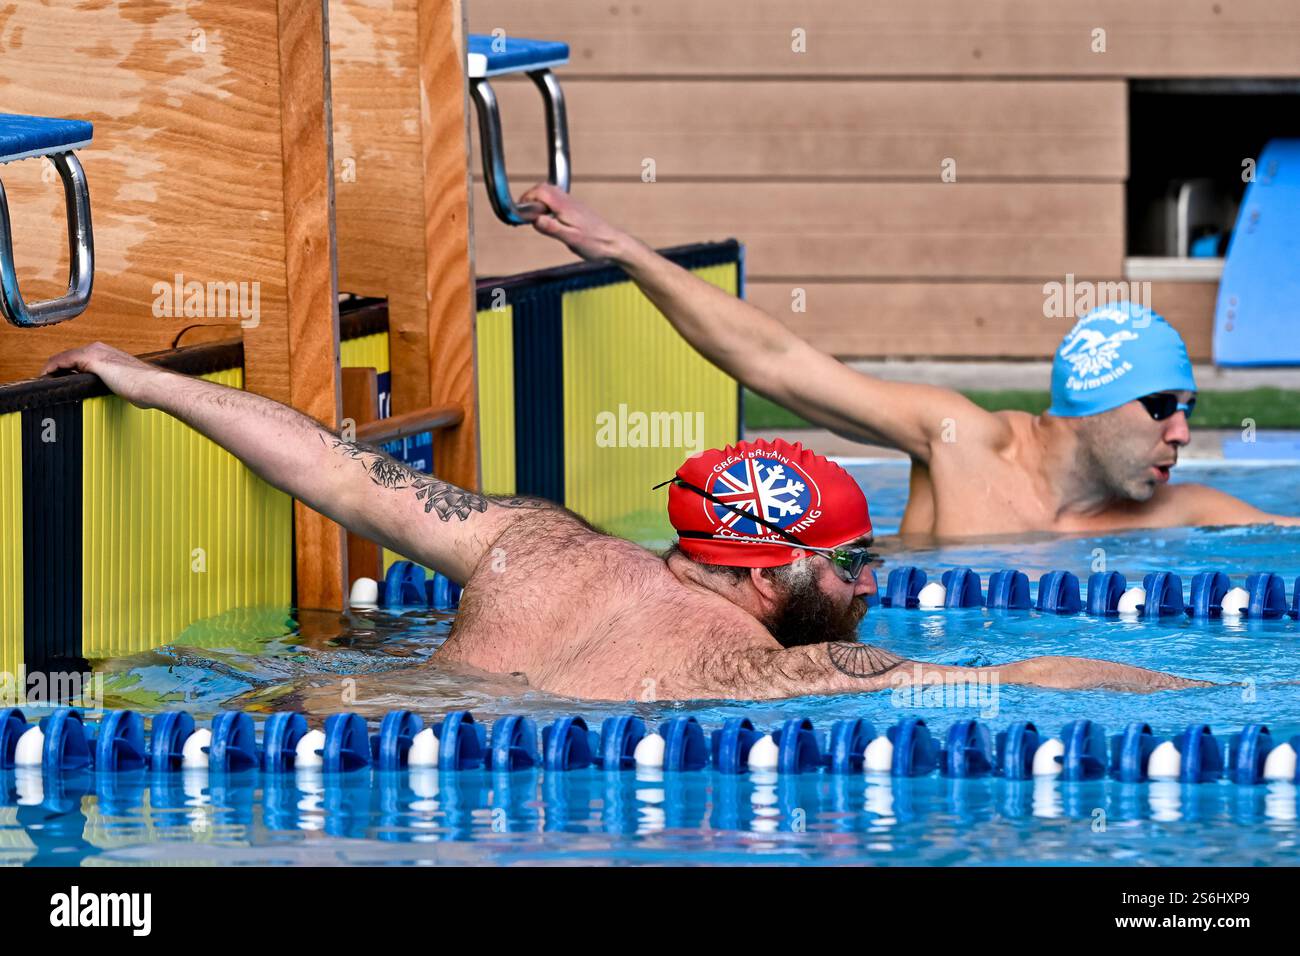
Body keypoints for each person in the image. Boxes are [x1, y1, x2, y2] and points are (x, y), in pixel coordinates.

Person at [42, 343, 1203, 700]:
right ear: (761, 575)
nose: (870, 583)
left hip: (313, 717)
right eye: (852, 560)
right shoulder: (759, 671)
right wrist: (1219, 697)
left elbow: (335, 470)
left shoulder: (525, 542)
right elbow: (1024, 676)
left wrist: (147, 382)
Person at [518, 184, 1300, 537]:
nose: (1184, 435)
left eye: (1189, 411)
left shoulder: (1183, 513)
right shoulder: (957, 438)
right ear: (1093, 398)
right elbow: (776, 363)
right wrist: (619, 248)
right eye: (1162, 407)